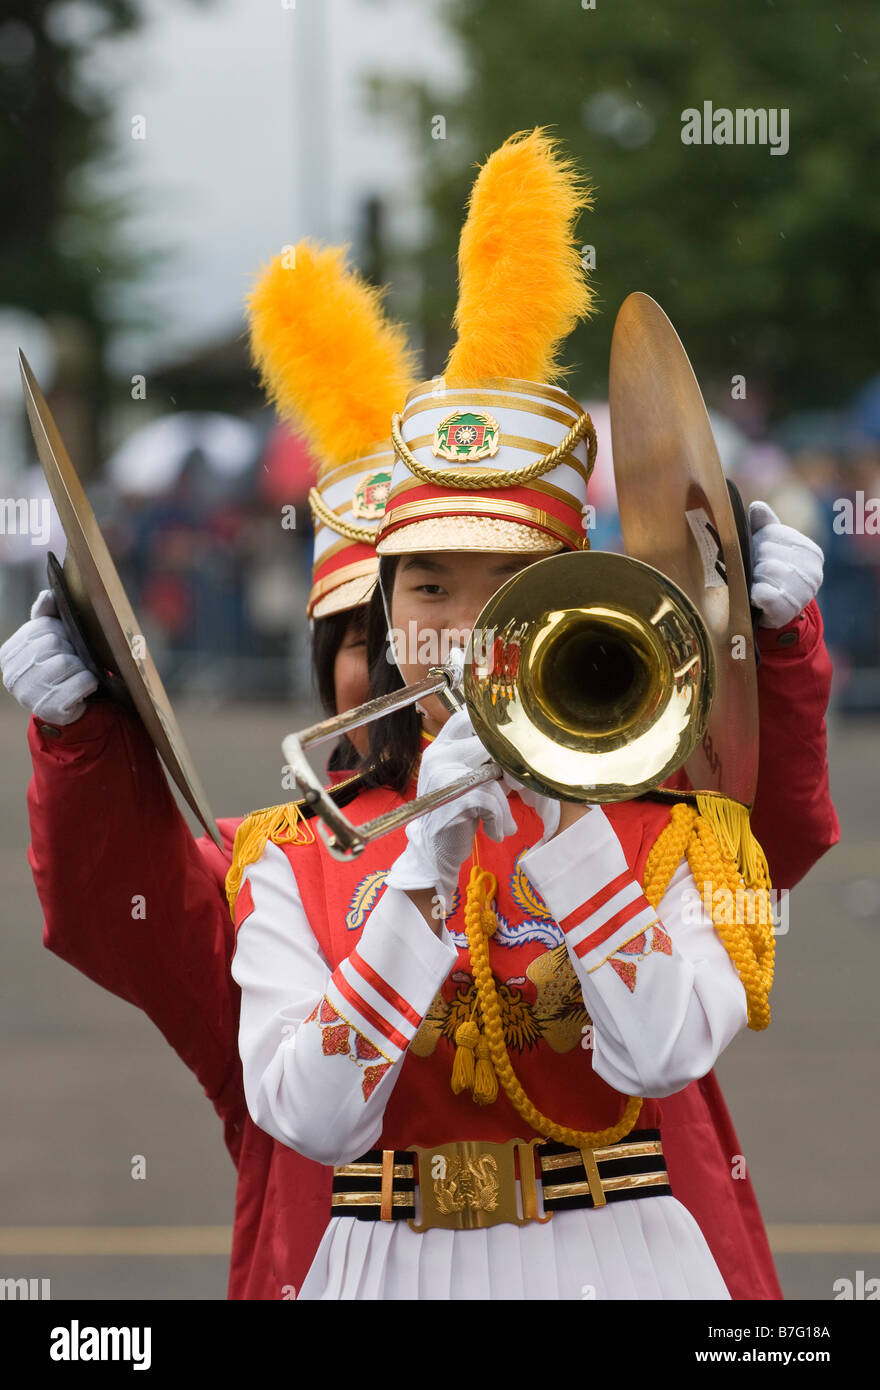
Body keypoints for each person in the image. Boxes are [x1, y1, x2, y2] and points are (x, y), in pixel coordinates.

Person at [3, 140, 836, 1300]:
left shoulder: (671, 824)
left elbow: (742, 873)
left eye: (505, 588)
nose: (456, 630)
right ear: (380, 621)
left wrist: (768, 655)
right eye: (421, 592)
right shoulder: (290, 856)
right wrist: (89, 741)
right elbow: (269, 1068)